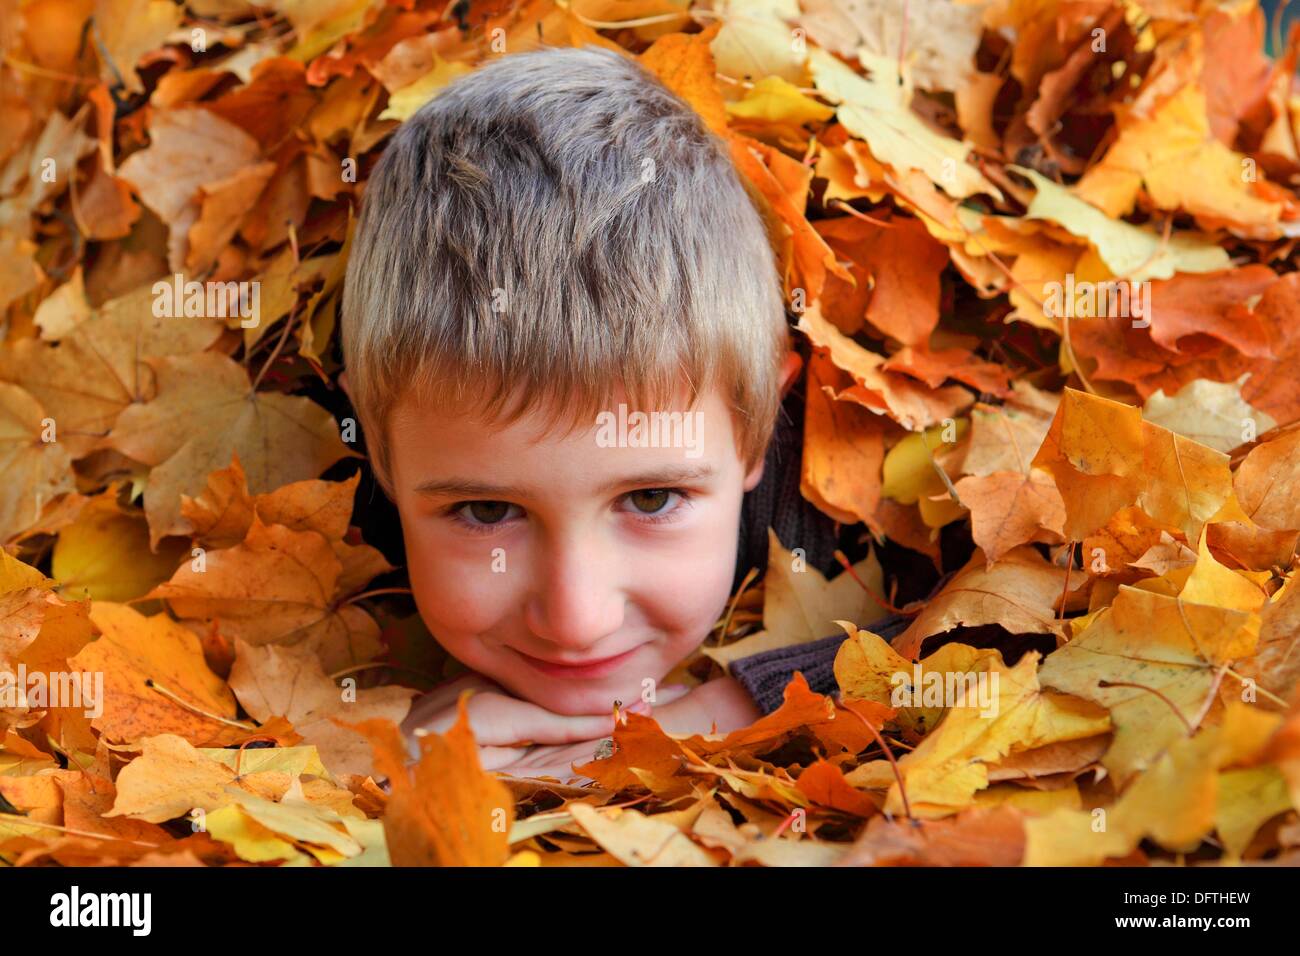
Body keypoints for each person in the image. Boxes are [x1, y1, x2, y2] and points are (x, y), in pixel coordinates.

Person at [340, 44, 901, 779]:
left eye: (650, 496)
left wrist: (718, 713)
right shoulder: (330, 490)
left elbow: (1010, 632)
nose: (577, 621)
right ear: (378, 449)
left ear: (760, 420)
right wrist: (373, 755)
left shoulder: (838, 511)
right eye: (484, 511)